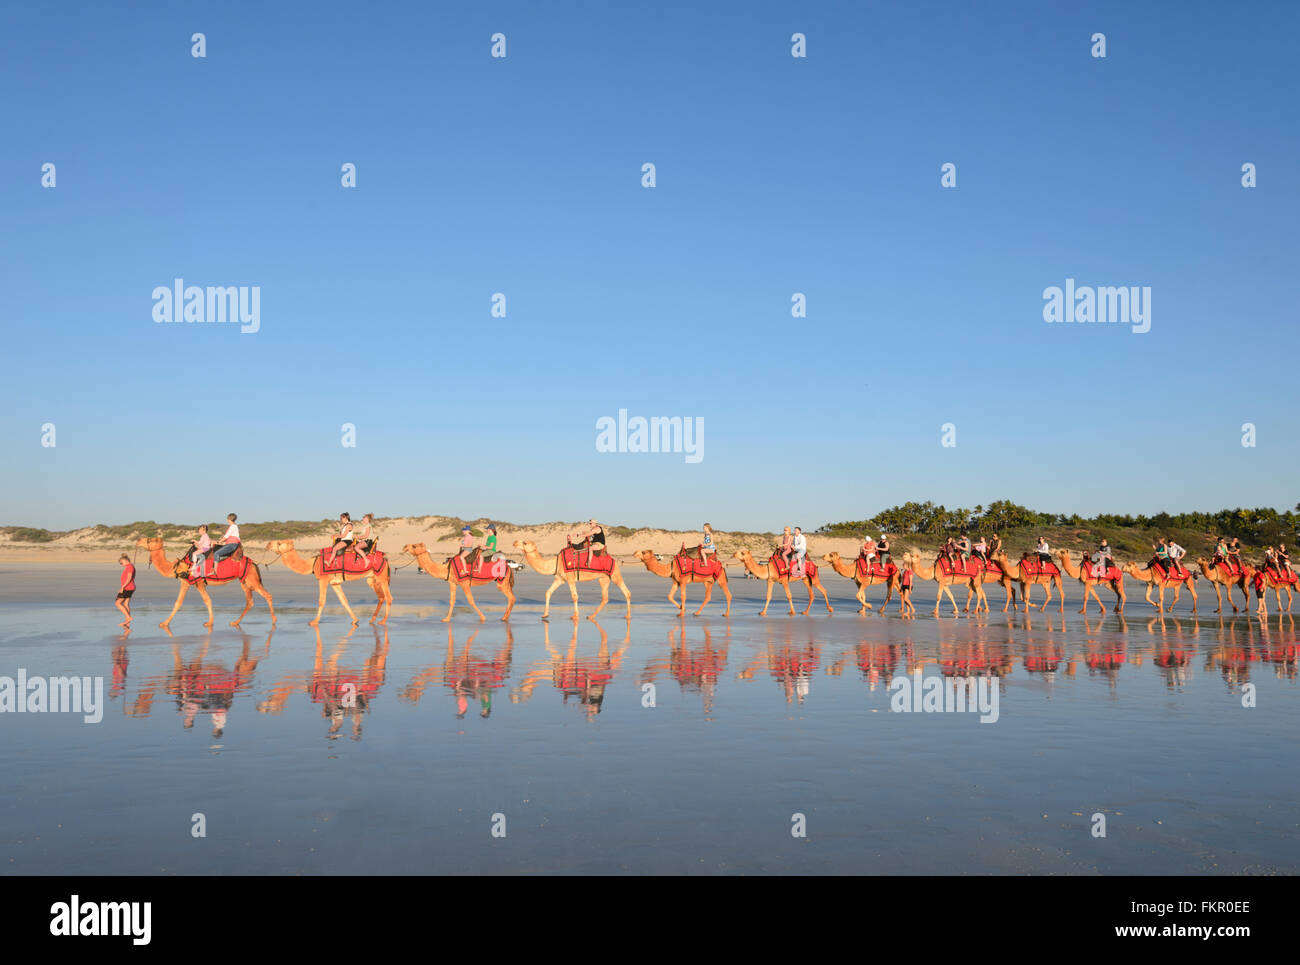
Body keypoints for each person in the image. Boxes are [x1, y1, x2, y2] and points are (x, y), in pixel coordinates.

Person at [115, 553, 136, 627]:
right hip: (130, 587)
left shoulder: (130, 567)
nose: (121, 564)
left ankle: (128, 618)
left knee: (117, 603)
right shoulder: (129, 566)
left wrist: (122, 587)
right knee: (126, 604)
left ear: (125, 560)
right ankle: (127, 622)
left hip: (127, 588)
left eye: (121, 563)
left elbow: (129, 578)